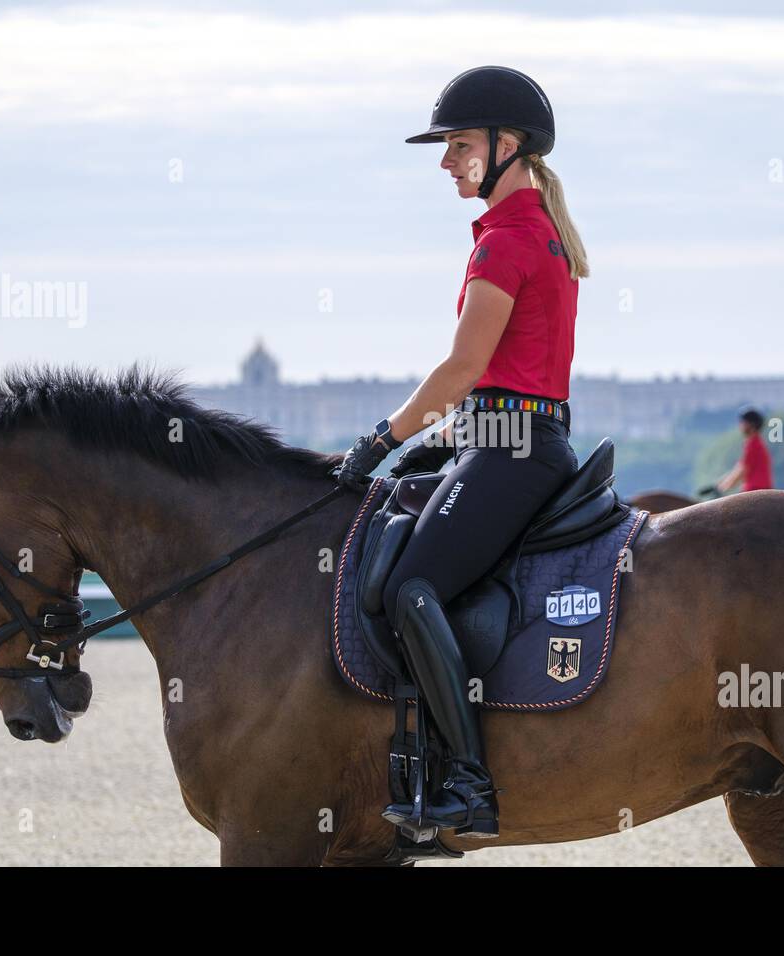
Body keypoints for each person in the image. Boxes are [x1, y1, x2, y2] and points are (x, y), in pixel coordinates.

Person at [334, 65, 590, 838]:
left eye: (459, 145)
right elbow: (507, 383)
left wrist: (382, 439)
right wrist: (447, 439)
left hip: (514, 451)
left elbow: (462, 369)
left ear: (506, 146)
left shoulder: (507, 241)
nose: (447, 161)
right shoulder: (526, 231)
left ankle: (471, 782)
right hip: (506, 439)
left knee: (412, 585)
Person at [716, 405, 774, 493]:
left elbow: (743, 470)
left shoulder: (753, 444)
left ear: (752, 425)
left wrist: (722, 488)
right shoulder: (756, 442)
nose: (740, 425)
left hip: (754, 490)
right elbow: (738, 468)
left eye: (743, 422)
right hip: (760, 489)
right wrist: (720, 484)